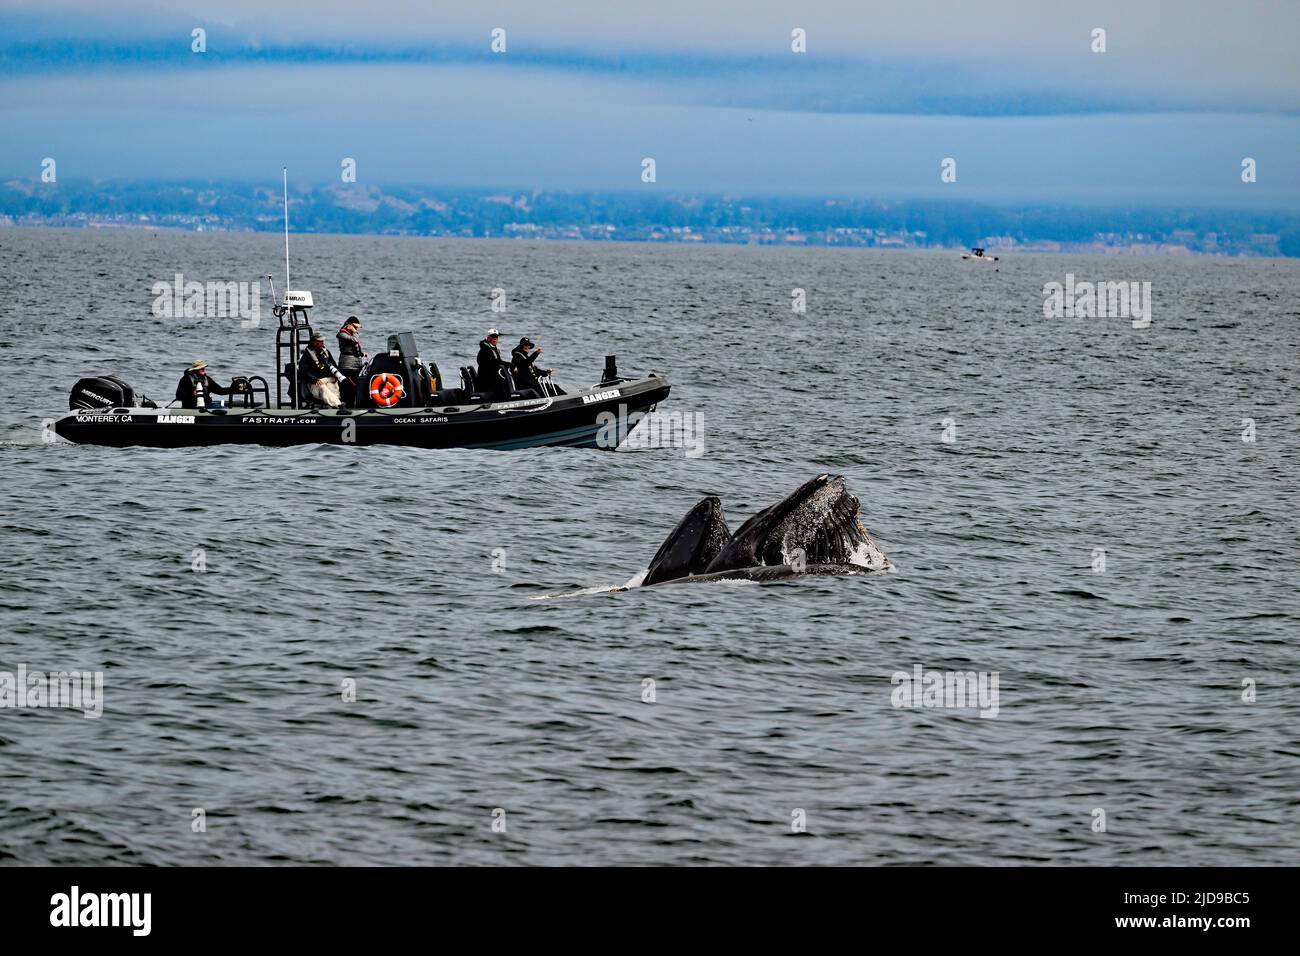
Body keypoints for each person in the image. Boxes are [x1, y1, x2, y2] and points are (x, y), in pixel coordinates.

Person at [298, 333, 346, 408]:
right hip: (314, 382)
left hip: (326, 379)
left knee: (332, 384)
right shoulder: (306, 356)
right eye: (320, 341)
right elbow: (304, 372)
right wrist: (315, 379)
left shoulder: (325, 353)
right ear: (314, 342)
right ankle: (338, 405)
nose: (323, 343)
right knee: (322, 387)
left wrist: (336, 376)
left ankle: (336, 402)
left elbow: (333, 365)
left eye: (323, 341)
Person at [175, 360, 245, 409]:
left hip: (207, 405)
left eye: (203, 367)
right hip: (191, 407)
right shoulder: (185, 379)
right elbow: (179, 396)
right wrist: (192, 394)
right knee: (221, 409)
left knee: (224, 410)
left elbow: (220, 390)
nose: (203, 369)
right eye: (201, 368)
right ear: (195, 370)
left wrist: (236, 388)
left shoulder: (207, 379)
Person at [336, 316, 367, 404]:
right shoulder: (342, 334)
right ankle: (346, 405)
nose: (356, 329)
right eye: (355, 327)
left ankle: (352, 403)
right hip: (347, 366)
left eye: (357, 327)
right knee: (348, 387)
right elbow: (355, 340)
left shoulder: (350, 334)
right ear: (349, 325)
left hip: (355, 365)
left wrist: (361, 354)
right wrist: (354, 331)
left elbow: (353, 348)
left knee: (354, 387)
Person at [476, 328, 508, 395]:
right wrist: (510, 365)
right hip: (486, 379)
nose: (495, 339)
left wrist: (509, 365)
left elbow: (498, 361)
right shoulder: (485, 349)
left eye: (496, 337)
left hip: (492, 377)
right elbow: (494, 362)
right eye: (493, 337)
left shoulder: (493, 348)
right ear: (488, 338)